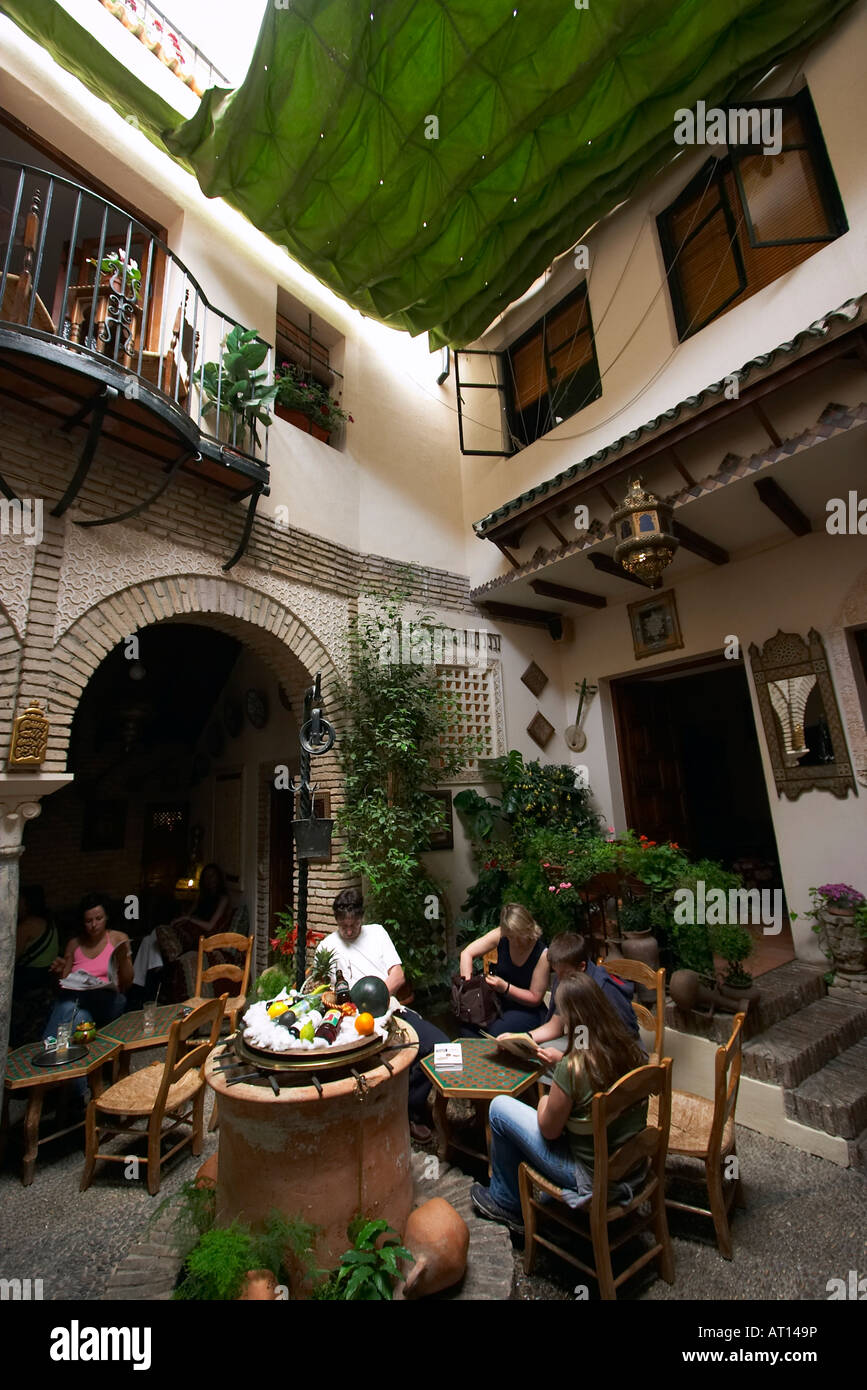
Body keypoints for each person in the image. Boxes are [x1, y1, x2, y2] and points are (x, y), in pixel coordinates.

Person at [470, 972, 650, 1233]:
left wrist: (546, 1099)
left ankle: (506, 1203)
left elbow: (549, 1130)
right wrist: (563, 1059)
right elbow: (593, 1071)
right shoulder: (628, 1047)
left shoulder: (574, 1068)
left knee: (499, 1108)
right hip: (632, 1168)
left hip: (592, 1178)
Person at [318, 887, 449, 1144]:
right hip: (352, 1020)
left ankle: (408, 1107)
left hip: (388, 1009)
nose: (348, 930)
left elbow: (398, 975)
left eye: (353, 924)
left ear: (361, 918)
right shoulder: (327, 946)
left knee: (439, 1046)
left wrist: (379, 998)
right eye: (343, 925)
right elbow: (325, 990)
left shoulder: (377, 933)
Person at [527, 932, 640, 1065]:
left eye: (564, 973)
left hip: (618, 1053)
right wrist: (524, 1038)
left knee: (562, 1068)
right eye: (556, 973)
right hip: (586, 1043)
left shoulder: (605, 990)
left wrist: (565, 1060)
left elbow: (621, 1046)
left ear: (582, 967)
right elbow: (556, 1026)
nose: (559, 980)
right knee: (541, 1053)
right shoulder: (566, 980)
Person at [44, 891, 134, 1039]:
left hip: (109, 1001)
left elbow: (128, 982)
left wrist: (123, 959)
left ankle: (47, 1045)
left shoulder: (118, 938)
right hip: (79, 1001)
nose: (94, 925)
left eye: (99, 919)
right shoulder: (74, 944)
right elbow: (62, 986)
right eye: (88, 921)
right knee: (80, 1016)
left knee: (68, 1005)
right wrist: (59, 973)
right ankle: (63, 1054)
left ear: (107, 917)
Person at [134, 863, 232, 991]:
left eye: (213, 876)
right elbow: (187, 915)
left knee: (157, 934)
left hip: (203, 935)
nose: (210, 880)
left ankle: (142, 979)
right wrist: (180, 920)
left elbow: (210, 926)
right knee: (150, 938)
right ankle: (144, 977)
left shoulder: (222, 898)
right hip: (190, 928)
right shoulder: (202, 896)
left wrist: (189, 919)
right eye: (207, 877)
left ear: (218, 878)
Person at [459, 903, 550, 1036]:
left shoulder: (542, 954)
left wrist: (505, 987)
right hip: (499, 1003)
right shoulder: (501, 935)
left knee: (496, 1032)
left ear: (529, 929)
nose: (517, 942)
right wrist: (469, 989)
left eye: (521, 937)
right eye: (512, 938)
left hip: (527, 1009)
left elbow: (535, 998)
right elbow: (466, 954)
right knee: (468, 1029)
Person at [14, 885, 59, 997]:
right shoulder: (49, 920)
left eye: (19, 900)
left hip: (30, 977)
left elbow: (11, 959)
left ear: (27, 904)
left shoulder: (27, 926)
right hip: (46, 975)